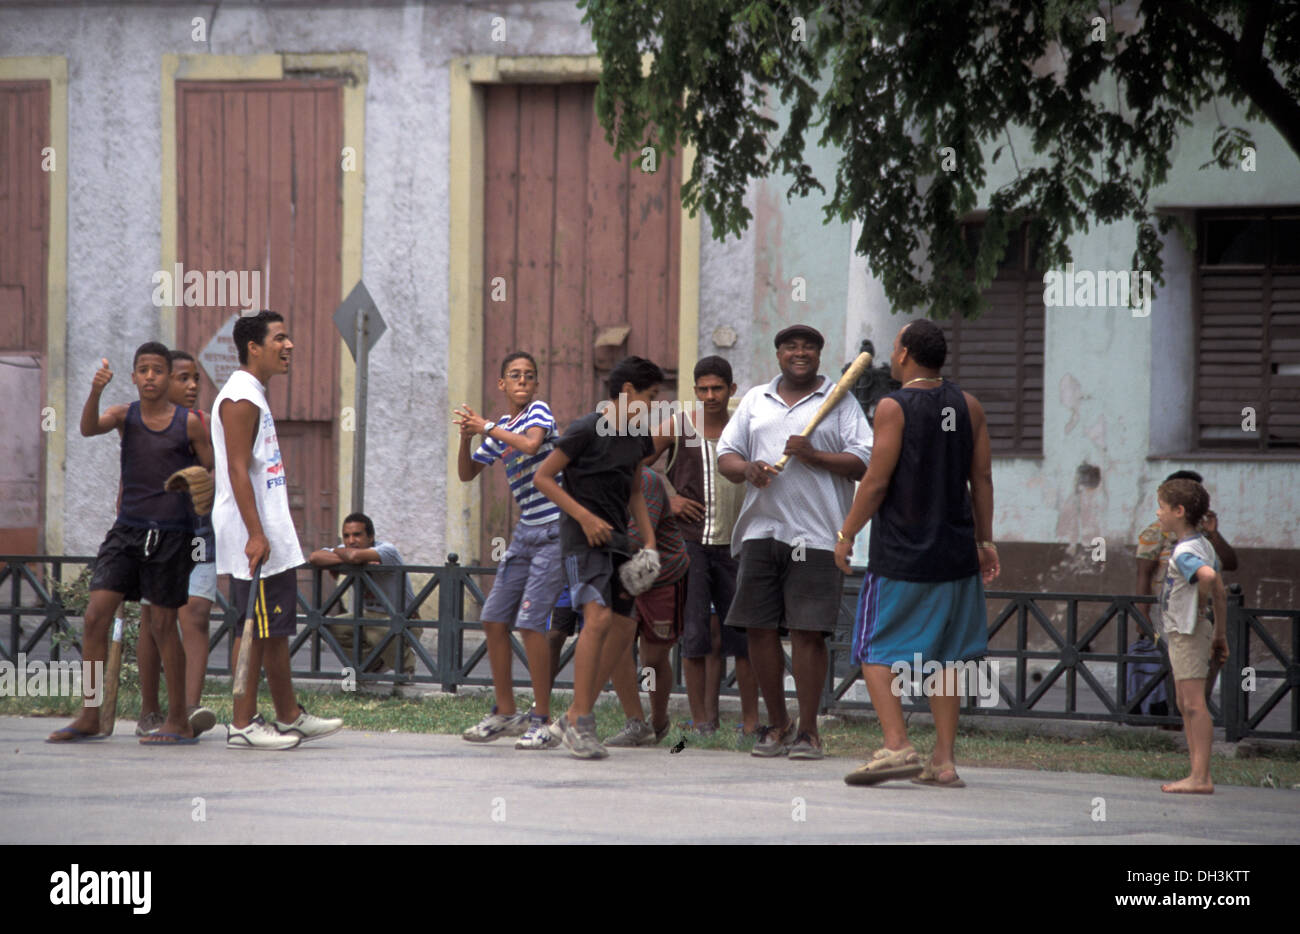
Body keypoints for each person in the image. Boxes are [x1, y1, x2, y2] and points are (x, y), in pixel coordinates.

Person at [834, 319, 998, 787]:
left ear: (904, 354)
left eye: (894, 347)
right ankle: (943, 763)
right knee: (944, 658)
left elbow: (876, 480)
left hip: (903, 554)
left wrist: (846, 534)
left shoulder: (893, 406)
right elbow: (981, 480)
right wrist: (985, 542)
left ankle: (896, 745)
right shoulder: (969, 405)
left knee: (873, 648)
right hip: (956, 553)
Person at [717, 325, 872, 760]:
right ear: (779, 354)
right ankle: (777, 724)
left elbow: (863, 462)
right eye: (791, 346)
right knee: (759, 629)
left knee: (808, 633)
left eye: (809, 347)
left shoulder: (839, 401)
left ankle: (808, 731)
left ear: (819, 356)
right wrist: (748, 469)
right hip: (761, 531)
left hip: (819, 536)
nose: (799, 353)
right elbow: (726, 455)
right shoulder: (754, 400)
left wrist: (814, 455)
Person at [48, 344, 212, 745]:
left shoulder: (189, 423)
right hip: (127, 530)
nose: (151, 376)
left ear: (168, 376)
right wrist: (95, 392)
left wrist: (199, 479)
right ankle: (90, 713)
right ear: (135, 377)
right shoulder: (126, 416)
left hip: (172, 533)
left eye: (159, 370)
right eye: (144, 370)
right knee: (94, 617)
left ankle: (178, 719)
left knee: (161, 624)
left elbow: (211, 467)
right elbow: (88, 428)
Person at [213, 310, 342, 750]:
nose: (289, 346)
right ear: (254, 347)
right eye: (280, 339)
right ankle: (242, 722)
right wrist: (254, 532)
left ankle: (289, 714)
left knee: (274, 628)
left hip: (270, 533)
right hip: (257, 536)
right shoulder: (240, 397)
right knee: (254, 625)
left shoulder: (254, 393)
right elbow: (234, 467)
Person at [533, 356, 662, 759]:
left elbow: (636, 491)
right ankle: (582, 722)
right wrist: (585, 517)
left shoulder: (639, 435)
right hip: (581, 540)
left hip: (621, 543)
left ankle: (573, 714)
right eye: (651, 396)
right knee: (599, 618)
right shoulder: (585, 429)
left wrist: (651, 543)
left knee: (623, 630)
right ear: (627, 392)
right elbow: (543, 478)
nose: (655, 404)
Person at [453, 351, 567, 750]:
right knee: (493, 618)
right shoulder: (500, 426)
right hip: (525, 534)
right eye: (514, 376)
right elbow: (467, 474)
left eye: (529, 376)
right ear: (501, 384)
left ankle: (542, 718)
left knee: (531, 622)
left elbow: (533, 446)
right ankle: (504, 711)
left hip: (555, 531)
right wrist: (468, 438)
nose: (522, 381)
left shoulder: (539, 412)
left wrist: (485, 426)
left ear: (536, 385)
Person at [648, 355, 758, 735]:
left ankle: (750, 722)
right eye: (704, 389)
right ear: (694, 391)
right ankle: (700, 722)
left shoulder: (743, 429)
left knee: (744, 637)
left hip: (737, 545)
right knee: (693, 635)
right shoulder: (679, 425)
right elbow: (637, 463)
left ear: (732, 390)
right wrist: (669, 497)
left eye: (718, 389)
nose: (711, 395)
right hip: (690, 546)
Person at [136, 349, 219, 739]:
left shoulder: (201, 423)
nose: (191, 386)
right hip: (154, 533)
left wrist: (208, 478)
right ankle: (151, 711)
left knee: (196, 613)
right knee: (153, 621)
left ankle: (187, 710)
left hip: (199, 532)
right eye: (183, 378)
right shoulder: (142, 422)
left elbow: (218, 469)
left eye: (195, 379)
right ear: (165, 380)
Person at [1134, 469, 1237, 712]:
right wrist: (1142, 615)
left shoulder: (1204, 536)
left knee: (1202, 671)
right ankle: (1173, 717)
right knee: (1175, 669)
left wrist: (1214, 533)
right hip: (1171, 611)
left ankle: (1190, 718)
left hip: (1202, 615)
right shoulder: (1155, 531)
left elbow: (1230, 563)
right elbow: (1143, 574)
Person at [603, 465, 690, 746]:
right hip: (620, 574)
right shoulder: (597, 476)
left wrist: (594, 534)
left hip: (661, 576)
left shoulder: (646, 480)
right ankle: (635, 722)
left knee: (651, 658)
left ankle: (659, 719)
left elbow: (639, 537)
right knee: (615, 643)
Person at [1152, 478, 1227, 794]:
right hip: (1192, 631)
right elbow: (1220, 587)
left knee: (1194, 704)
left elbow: (1209, 578)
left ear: (1179, 511)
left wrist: (1198, 607)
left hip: (1187, 632)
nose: (1158, 514)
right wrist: (1219, 632)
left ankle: (1200, 776)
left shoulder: (1184, 552)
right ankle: (1197, 773)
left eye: (1162, 508)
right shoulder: (1203, 544)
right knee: (1186, 703)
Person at [308, 512, 417, 676]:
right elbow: (315, 557)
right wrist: (351, 559)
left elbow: (353, 555)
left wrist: (351, 557)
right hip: (368, 616)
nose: (351, 541)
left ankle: (406, 670)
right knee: (324, 626)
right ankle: (371, 665)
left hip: (403, 618)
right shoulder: (346, 551)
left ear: (371, 537)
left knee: (377, 631)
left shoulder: (387, 550)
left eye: (357, 535)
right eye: (346, 536)